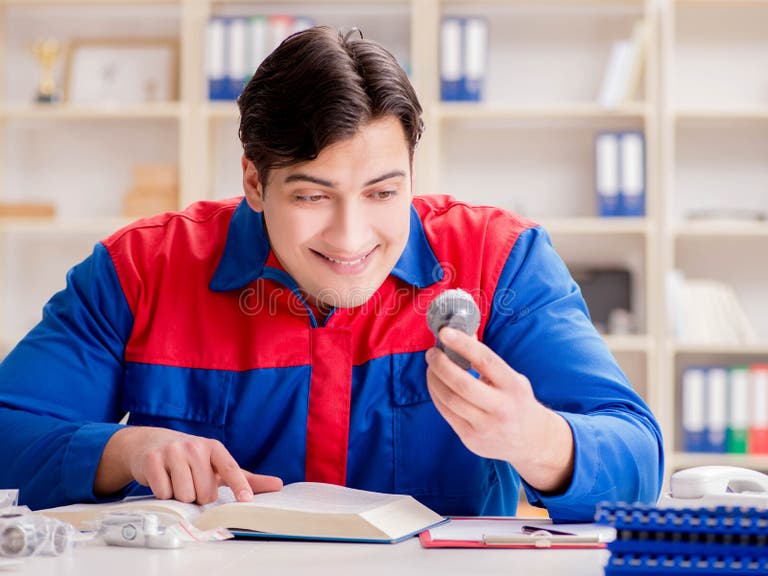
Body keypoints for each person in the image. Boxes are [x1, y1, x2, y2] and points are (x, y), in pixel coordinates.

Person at [0, 26, 663, 522]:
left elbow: (639, 459)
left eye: (382, 193)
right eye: (312, 197)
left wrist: (542, 441)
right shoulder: (139, 269)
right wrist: (123, 450)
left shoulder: (500, 261)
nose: (351, 238)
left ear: (412, 174)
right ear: (254, 182)